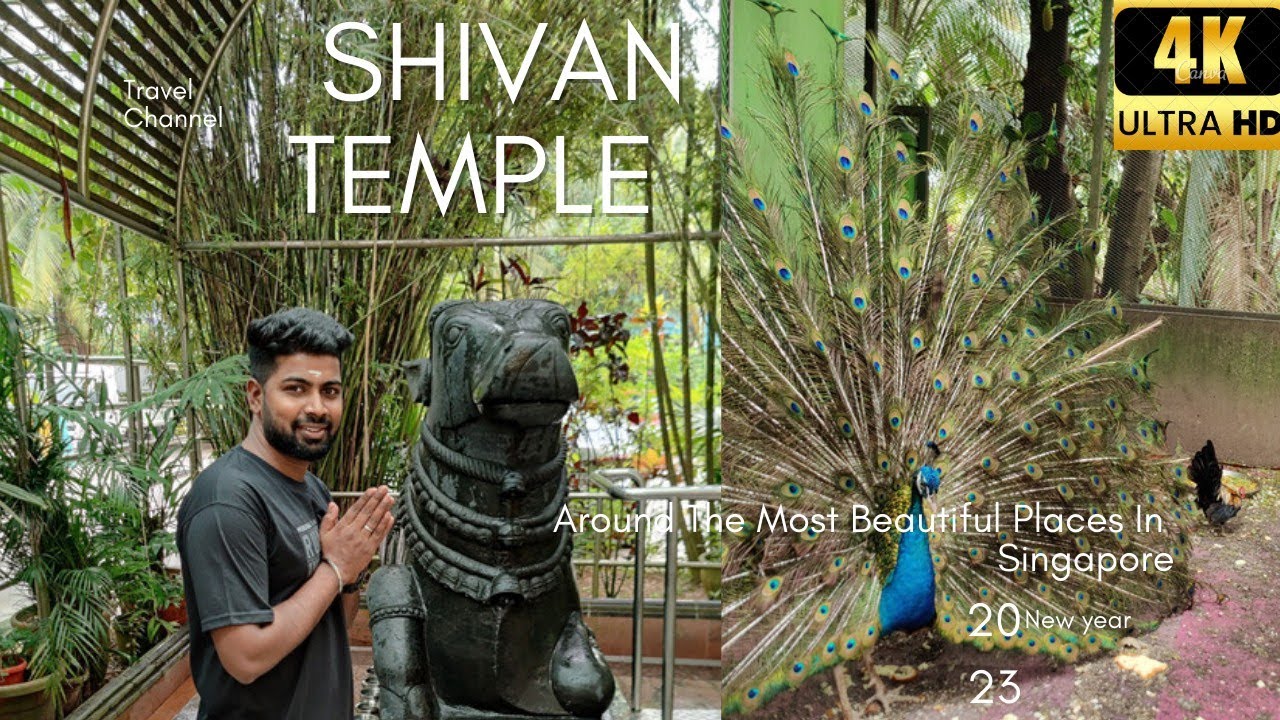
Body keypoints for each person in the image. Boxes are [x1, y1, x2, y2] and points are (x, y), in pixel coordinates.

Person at [177, 308, 395, 719]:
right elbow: (245, 658)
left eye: (330, 391)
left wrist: (348, 574)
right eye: (296, 389)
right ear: (256, 396)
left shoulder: (311, 488)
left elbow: (336, 621)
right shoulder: (227, 501)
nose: (317, 407)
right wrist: (334, 567)